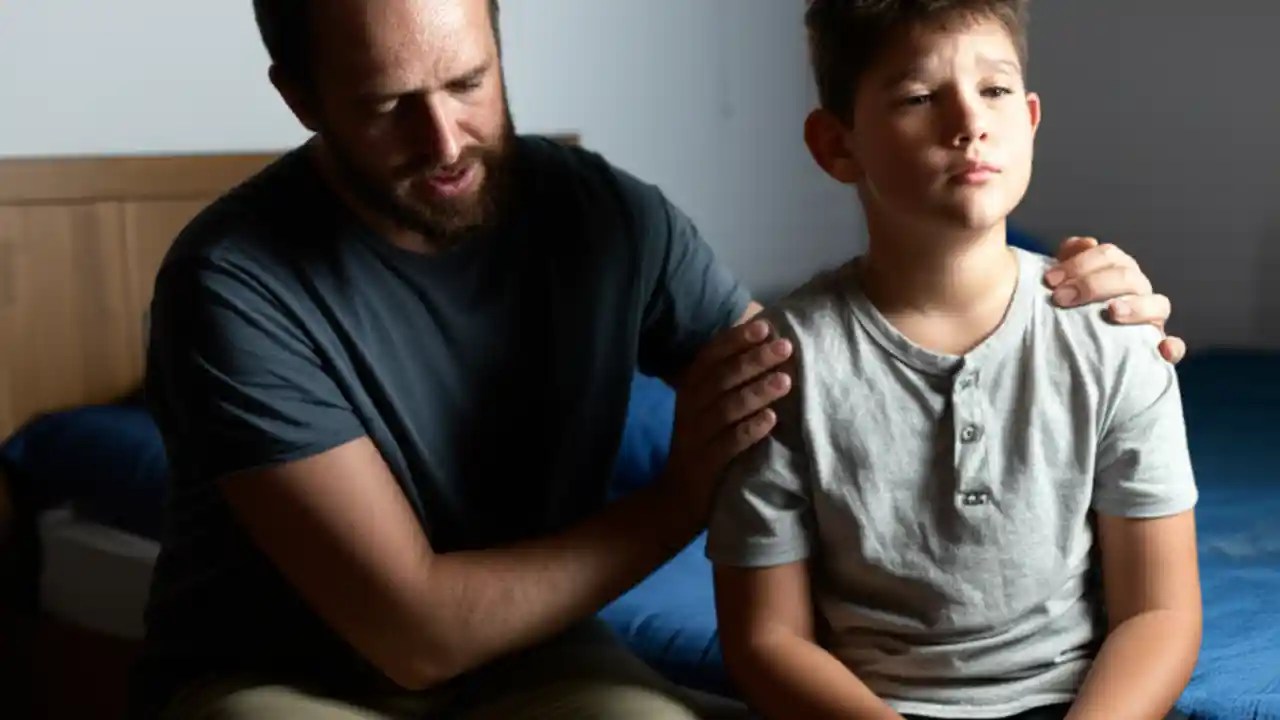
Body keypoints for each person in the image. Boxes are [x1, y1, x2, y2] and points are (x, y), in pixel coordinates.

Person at [128, 0, 1186, 717]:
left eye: (467, 82)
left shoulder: (607, 221)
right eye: (385, 106)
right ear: (302, 99)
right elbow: (413, 635)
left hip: (532, 650)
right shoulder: (233, 282)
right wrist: (686, 490)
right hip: (285, 668)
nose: (444, 138)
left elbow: (795, 386)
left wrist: (1107, 314)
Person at [705, 2, 1201, 720]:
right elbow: (765, 639)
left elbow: (1160, 614)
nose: (969, 122)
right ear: (837, 146)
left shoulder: (1114, 334)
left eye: (994, 90)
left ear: (1029, 118)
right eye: (917, 97)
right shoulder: (785, 365)